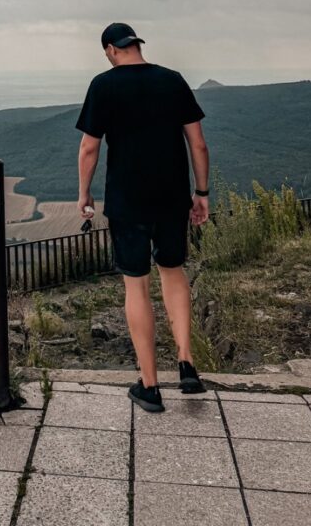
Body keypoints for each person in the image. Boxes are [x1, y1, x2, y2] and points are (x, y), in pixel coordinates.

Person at [75, 22, 210, 413]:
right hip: (172, 198)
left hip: (127, 200)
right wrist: (201, 193)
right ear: (136, 44)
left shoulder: (103, 85)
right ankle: (186, 362)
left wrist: (84, 193)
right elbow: (198, 144)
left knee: (136, 286)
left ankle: (150, 386)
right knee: (173, 271)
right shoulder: (173, 80)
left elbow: (89, 148)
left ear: (110, 50)